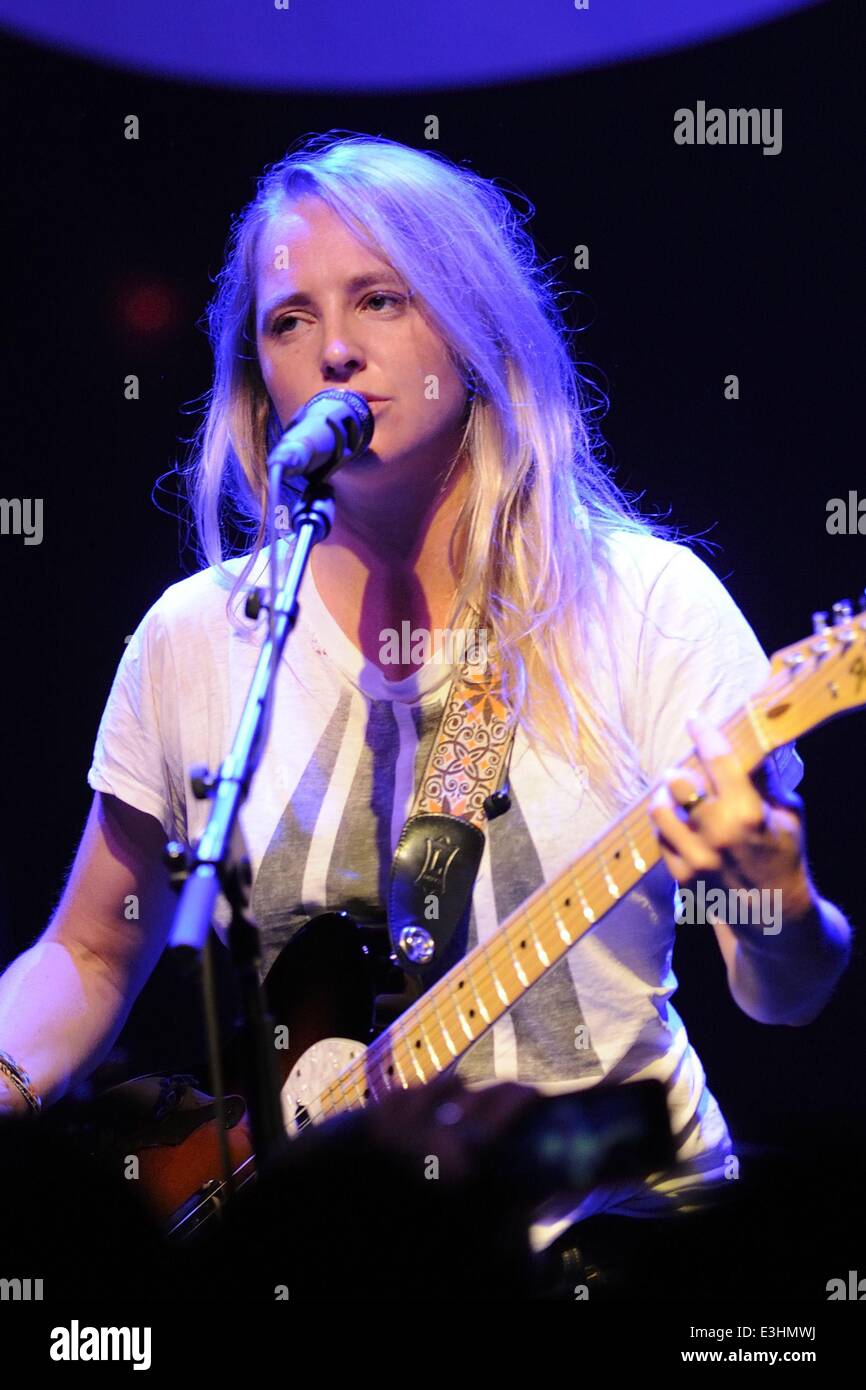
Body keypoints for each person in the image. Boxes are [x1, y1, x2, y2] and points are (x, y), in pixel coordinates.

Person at [0, 133, 852, 1284]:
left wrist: (769, 889)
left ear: (467, 324)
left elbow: (787, 992)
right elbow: (92, 952)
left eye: (381, 300)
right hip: (350, 1267)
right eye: (288, 320)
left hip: (630, 1237)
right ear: (259, 377)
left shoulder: (641, 604)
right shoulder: (197, 640)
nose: (336, 349)